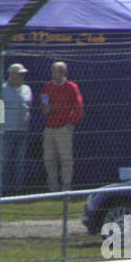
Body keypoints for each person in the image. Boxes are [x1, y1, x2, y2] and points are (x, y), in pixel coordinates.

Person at [39, 61, 83, 191]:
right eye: (52, 71)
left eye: (56, 72)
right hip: (50, 127)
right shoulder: (48, 86)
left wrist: (71, 123)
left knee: (65, 159)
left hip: (64, 127)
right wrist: (45, 110)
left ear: (63, 73)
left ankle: (66, 186)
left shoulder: (71, 87)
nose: (53, 74)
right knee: (49, 159)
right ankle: (53, 186)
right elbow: (43, 104)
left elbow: (78, 106)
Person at [1, 62, 32, 193]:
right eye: (20, 74)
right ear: (12, 75)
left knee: (19, 161)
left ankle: (18, 189)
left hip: (22, 130)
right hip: (5, 131)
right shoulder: (1, 89)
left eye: (23, 74)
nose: (22, 76)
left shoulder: (27, 89)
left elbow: (29, 107)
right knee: (4, 161)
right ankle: (2, 189)